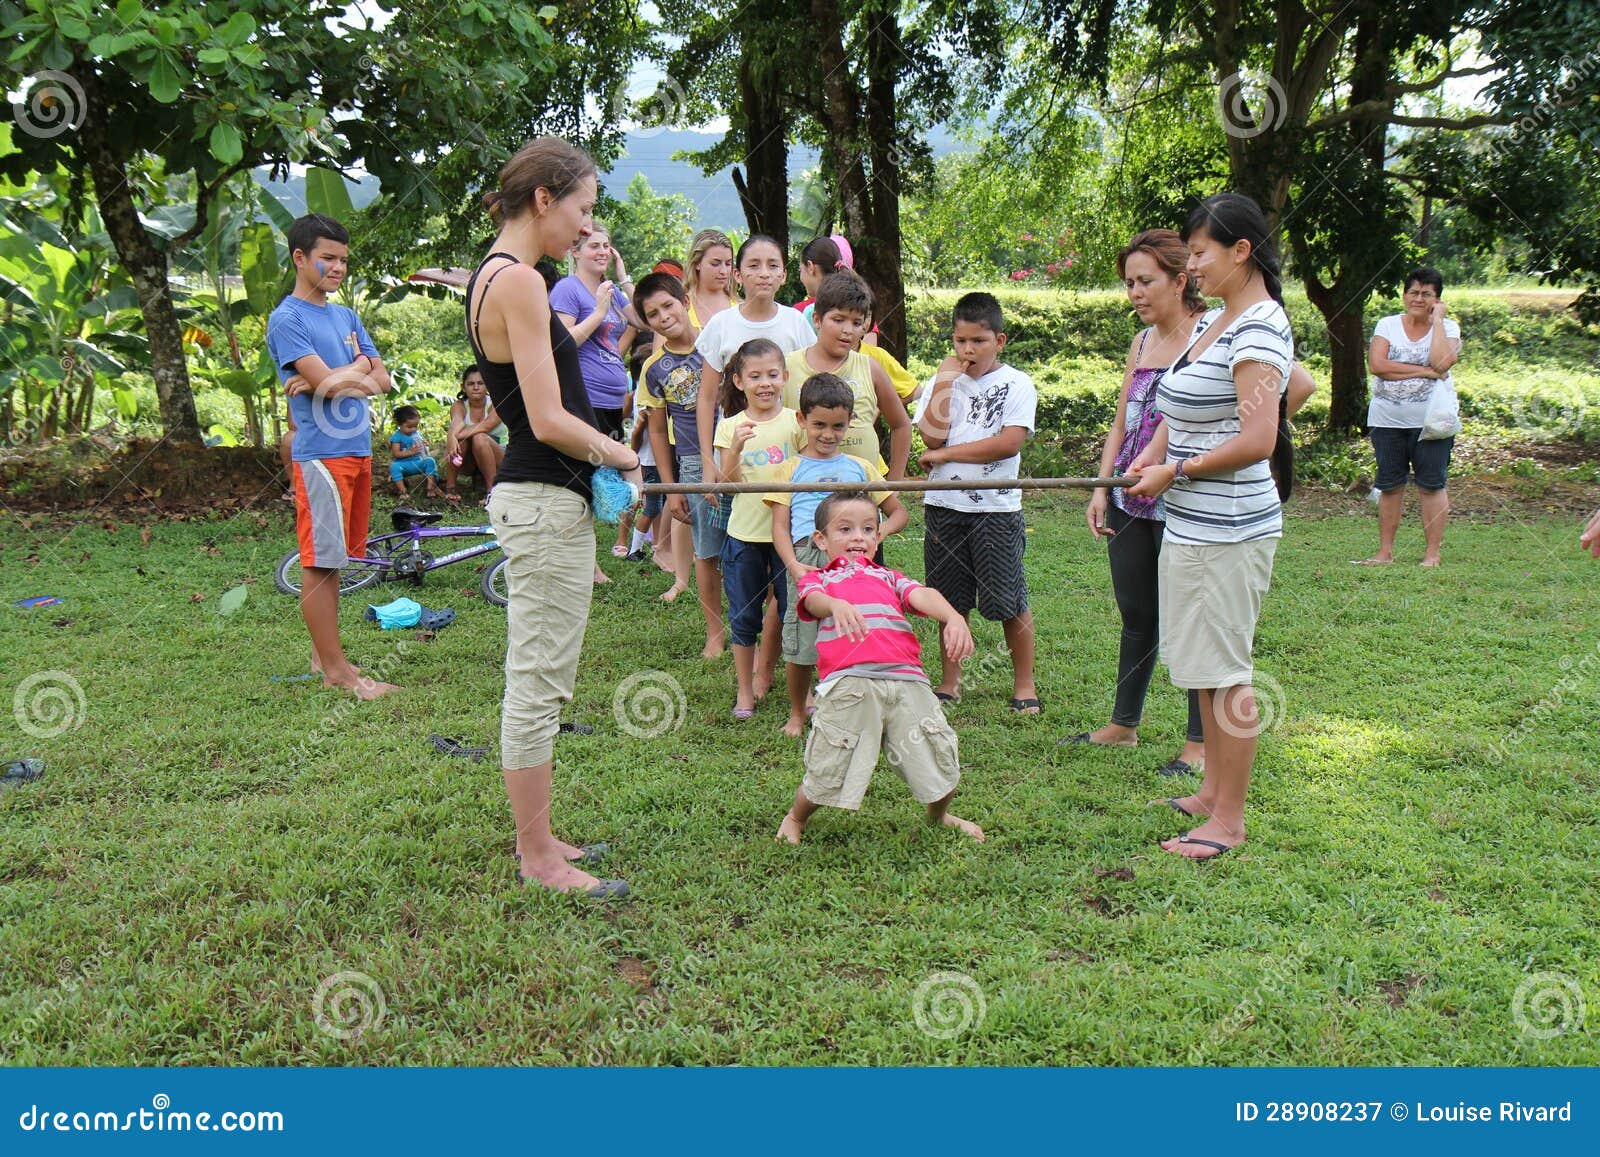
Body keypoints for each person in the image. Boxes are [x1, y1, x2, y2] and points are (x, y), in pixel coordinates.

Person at [466, 136, 641, 898]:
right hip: (541, 499)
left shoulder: (503, 275)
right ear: (545, 199)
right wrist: (621, 454)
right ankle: (537, 858)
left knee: (545, 679)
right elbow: (543, 419)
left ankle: (540, 833)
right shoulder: (521, 284)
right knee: (538, 684)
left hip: (543, 500)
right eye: (583, 208)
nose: (585, 225)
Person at [1125, 192, 1297, 861]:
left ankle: (1228, 821)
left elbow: (1259, 437)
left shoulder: (1259, 326)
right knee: (1202, 665)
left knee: (1228, 675)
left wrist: (1179, 469)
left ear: (1241, 251)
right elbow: (1182, 396)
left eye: (1199, 252)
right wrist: (1150, 453)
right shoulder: (1217, 321)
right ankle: (1210, 793)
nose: (1191, 264)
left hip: (1230, 526)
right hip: (1193, 522)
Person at [1070, 230, 1209, 771]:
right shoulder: (1141, 342)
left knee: (1189, 618)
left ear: (1180, 279)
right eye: (1129, 282)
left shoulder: (1213, 334)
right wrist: (1102, 487)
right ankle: (1123, 725)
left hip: (1185, 492)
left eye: (1146, 280)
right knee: (1137, 613)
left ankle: (1198, 744)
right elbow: (1122, 421)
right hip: (1132, 494)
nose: (1135, 292)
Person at [775, 491, 984, 846]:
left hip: (908, 680)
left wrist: (951, 616)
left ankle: (940, 814)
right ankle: (796, 817)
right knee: (831, 760)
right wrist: (836, 605)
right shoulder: (819, 579)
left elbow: (922, 595)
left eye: (868, 529)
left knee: (936, 753)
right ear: (821, 540)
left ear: (877, 537)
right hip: (850, 683)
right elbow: (811, 601)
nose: (859, 537)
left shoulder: (889, 577)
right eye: (845, 529)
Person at [267, 213, 398, 699]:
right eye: (327, 258)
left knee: (337, 559)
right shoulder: (288, 319)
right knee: (321, 564)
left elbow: (382, 381)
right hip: (321, 453)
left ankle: (328, 657)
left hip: (356, 450)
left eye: (343, 259)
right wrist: (356, 371)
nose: (338, 267)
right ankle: (338, 673)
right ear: (300, 258)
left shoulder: (345, 316)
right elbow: (327, 384)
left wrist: (348, 376)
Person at [913, 291, 1041, 715]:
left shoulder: (1017, 384)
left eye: (979, 342)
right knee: (949, 599)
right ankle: (950, 683)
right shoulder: (942, 381)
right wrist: (946, 382)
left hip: (995, 509)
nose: (968, 350)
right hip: (944, 508)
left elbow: (1007, 444)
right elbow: (930, 437)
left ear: (999, 341)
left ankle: (1025, 685)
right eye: (960, 341)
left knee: (1009, 599)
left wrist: (948, 455)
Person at [693, 235, 818, 653]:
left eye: (772, 265)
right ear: (737, 273)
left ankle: (778, 645)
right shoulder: (721, 325)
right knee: (733, 548)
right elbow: (707, 397)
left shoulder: (796, 324)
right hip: (734, 455)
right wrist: (711, 463)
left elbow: (803, 391)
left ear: (784, 274)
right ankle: (723, 634)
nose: (763, 273)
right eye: (754, 265)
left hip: (785, 459)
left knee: (784, 548)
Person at [767, 374, 908, 737]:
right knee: (801, 641)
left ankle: (856, 705)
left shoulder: (861, 467)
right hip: (808, 558)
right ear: (801, 420)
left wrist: (875, 536)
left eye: (837, 426)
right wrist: (794, 565)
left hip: (856, 567)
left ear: (850, 423)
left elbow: (898, 513)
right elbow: (779, 526)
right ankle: (798, 712)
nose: (828, 434)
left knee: (856, 634)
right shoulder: (790, 469)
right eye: (819, 425)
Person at [713, 338, 804, 718]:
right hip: (745, 535)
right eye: (755, 376)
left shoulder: (796, 421)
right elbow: (727, 485)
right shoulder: (731, 426)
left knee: (795, 611)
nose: (764, 383)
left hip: (790, 536)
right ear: (739, 381)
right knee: (744, 615)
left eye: (771, 375)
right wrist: (734, 448)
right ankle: (745, 691)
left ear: (784, 376)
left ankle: (804, 689)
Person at [634, 271, 725, 638]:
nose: (664, 316)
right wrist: (671, 489)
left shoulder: (720, 342)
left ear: (685, 302)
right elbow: (657, 430)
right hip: (691, 462)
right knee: (707, 550)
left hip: (740, 455)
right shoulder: (654, 369)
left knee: (750, 545)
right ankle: (715, 633)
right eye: (653, 314)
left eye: (668, 305)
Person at [550, 223, 642, 583]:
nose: (602, 251)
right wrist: (599, 311)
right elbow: (562, 343)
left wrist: (623, 277)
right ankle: (586, 565)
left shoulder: (610, 290)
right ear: (575, 251)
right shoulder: (567, 290)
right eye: (594, 246)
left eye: (607, 246)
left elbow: (641, 319)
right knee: (580, 480)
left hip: (611, 402)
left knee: (601, 478)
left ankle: (586, 559)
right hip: (581, 399)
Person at [1358, 267, 1462, 567]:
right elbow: (1378, 365)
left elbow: (1442, 361)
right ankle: (1385, 552)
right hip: (1387, 420)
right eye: (1414, 292)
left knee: (1432, 485)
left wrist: (1438, 321)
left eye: (1426, 293)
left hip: (1433, 423)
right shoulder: (1387, 325)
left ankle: (1432, 554)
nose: (1418, 298)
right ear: (1404, 295)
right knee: (1390, 484)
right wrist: (1426, 372)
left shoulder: (1449, 328)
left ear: (1437, 299)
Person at [784, 271, 911, 480]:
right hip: (803, 496)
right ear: (817, 319)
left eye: (856, 322)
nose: (847, 330)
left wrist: (894, 485)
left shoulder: (870, 368)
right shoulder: (787, 367)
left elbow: (901, 425)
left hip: (862, 498)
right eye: (838, 319)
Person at [443, 365, 505, 501]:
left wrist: (452, 436)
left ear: (487, 386)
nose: (476, 387)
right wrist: (452, 436)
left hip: (501, 459)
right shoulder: (459, 405)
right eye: (471, 384)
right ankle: (451, 487)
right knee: (461, 440)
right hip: (470, 462)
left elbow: (487, 425)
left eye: (480, 383)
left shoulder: (496, 403)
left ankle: (492, 491)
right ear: (463, 387)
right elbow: (457, 421)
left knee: (479, 436)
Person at [389, 405, 443, 500]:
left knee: (430, 461)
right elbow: (396, 454)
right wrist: (410, 452)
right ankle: (403, 491)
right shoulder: (397, 437)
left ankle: (430, 487)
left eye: (416, 426)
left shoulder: (416, 434)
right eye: (409, 427)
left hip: (417, 462)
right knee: (394, 466)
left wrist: (424, 444)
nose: (413, 429)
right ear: (399, 424)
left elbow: (422, 448)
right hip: (404, 465)